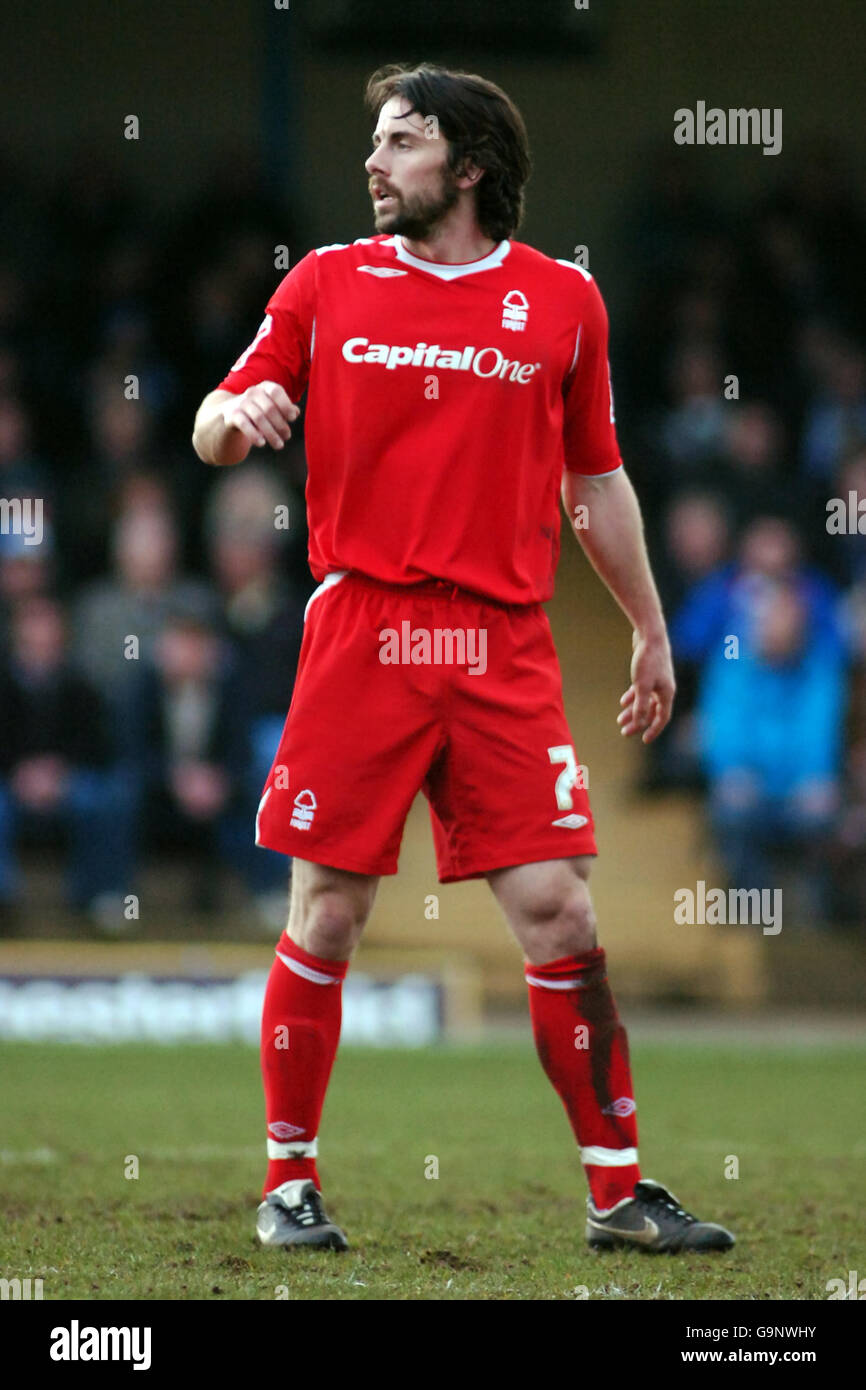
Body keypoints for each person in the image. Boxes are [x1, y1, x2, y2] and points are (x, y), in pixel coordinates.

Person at [192, 63, 734, 1255]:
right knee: (327, 911)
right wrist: (235, 421)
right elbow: (214, 417)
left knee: (557, 908)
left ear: (470, 165)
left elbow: (594, 483)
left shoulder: (561, 303)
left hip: (499, 640)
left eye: (400, 142)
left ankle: (616, 1191)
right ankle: (288, 1184)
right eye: (373, 142)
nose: (373, 162)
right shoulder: (325, 284)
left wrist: (646, 625)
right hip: (364, 630)